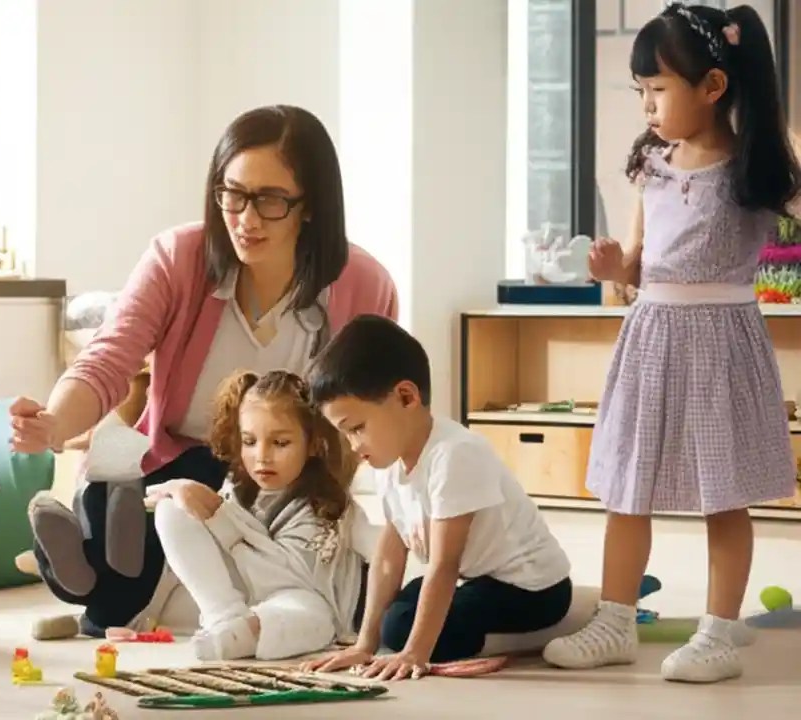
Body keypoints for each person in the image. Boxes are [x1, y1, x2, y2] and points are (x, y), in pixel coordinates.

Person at [11, 104, 400, 637]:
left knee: (326, 588)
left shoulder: (363, 284)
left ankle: (95, 591)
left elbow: (372, 414)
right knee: (130, 515)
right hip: (177, 462)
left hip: (289, 477)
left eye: (270, 200)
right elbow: (109, 357)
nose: (246, 218)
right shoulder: (178, 258)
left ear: (311, 205)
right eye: (233, 194)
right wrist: (54, 424)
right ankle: (94, 569)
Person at [542, 3, 801, 683]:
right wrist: (611, 269)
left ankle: (718, 631)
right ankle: (617, 618)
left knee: (726, 492)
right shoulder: (650, 165)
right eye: (641, 93)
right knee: (628, 488)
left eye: (658, 91)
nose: (647, 107)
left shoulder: (756, 168)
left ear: (714, 87)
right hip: (651, 336)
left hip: (723, 344)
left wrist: (785, 136)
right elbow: (638, 261)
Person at [303, 315, 573, 681]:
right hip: (478, 580)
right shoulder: (391, 464)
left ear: (406, 397)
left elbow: (445, 565)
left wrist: (414, 653)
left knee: (400, 630)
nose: (354, 445)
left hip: (532, 589)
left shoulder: (454, 454)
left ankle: (543, 632)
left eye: (357, 429)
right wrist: (364, 645)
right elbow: (387, 559)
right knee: (389, 618)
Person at [152, 370, 370, 661]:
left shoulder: (329, 506)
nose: (262, 456)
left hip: (294, 601)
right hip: (234, 598)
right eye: (249, 442)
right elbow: (225, 555)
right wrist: (189, 495)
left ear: (314, 444)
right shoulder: (237, 492)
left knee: (314, 618)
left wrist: (222, 519)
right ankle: (225, 620)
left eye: (280, 443)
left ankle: (243, 633)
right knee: (173, 506)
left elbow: (290, 574)